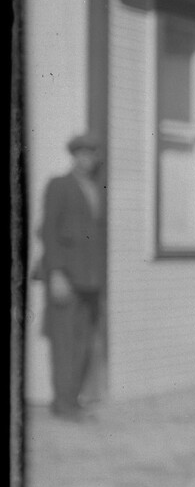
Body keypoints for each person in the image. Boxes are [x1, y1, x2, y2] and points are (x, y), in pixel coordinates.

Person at [39, 132, 107, 422]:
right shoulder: (59, 185)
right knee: (64, 342)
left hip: (90, 280)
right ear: (73, 156)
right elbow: (49, 233)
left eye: (91, 154)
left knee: (82, 342)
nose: (87, 159)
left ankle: (74, 401)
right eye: (81, 153)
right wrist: (55, 273)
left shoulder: (96, 188)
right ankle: (62, 404)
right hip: (66, 277)